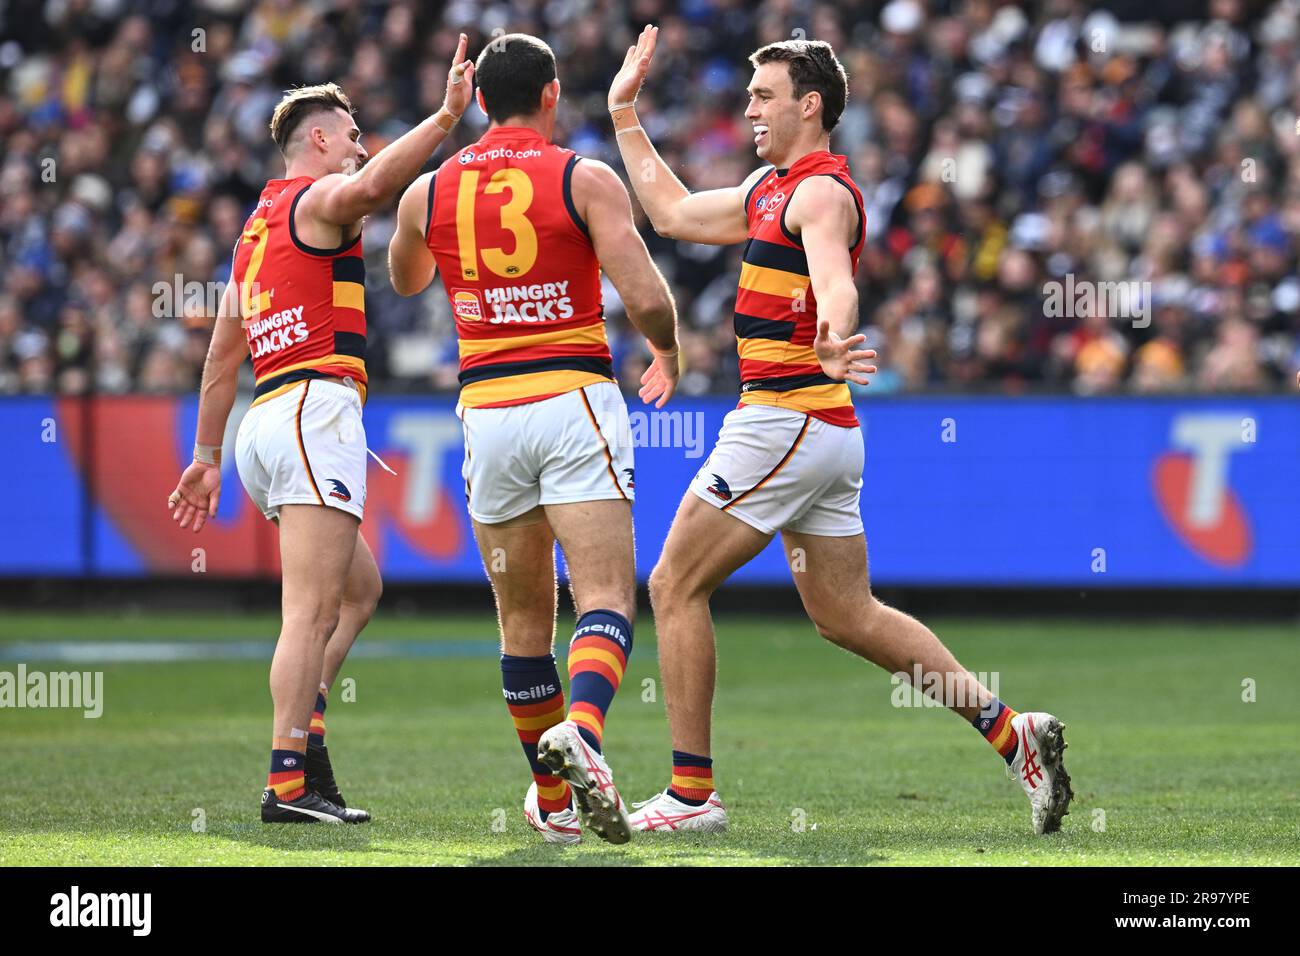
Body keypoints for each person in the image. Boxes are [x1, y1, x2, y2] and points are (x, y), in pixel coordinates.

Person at [607, 27, 1073, 836]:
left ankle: (691, 797)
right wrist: (623, 112)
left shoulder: (819, 192)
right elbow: (674, 213)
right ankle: (1012, 733)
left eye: (765, 96)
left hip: (784, 418)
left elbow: (834, 276)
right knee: (846, 616)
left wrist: (831, 326)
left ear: (809, 105)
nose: (749, 107)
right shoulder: (768, 186)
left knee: (672, 585)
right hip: (821, 433)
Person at [167, 36, 477, 824]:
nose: (359, 144)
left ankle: (304, 735)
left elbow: (218, 359)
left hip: (267, 421)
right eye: (350, 132)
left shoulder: (253, 231)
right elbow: (374, 185)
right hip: (313, 410)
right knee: (307, 611)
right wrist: (445, 117)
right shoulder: (316, 201)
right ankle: (287, 781)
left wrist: (206, 457)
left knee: (359, 592)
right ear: (316, 139)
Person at [387, 34, 680, 845]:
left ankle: (553, 806)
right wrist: (669, 350)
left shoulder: (429, 189)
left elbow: (406, 278)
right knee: (607, 598)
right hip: (572, 397)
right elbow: (645, 295)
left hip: (487, 411)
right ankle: (583, 737)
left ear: (478, 99)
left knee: (522, 623)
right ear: (550, 95)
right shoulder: (583, 176)